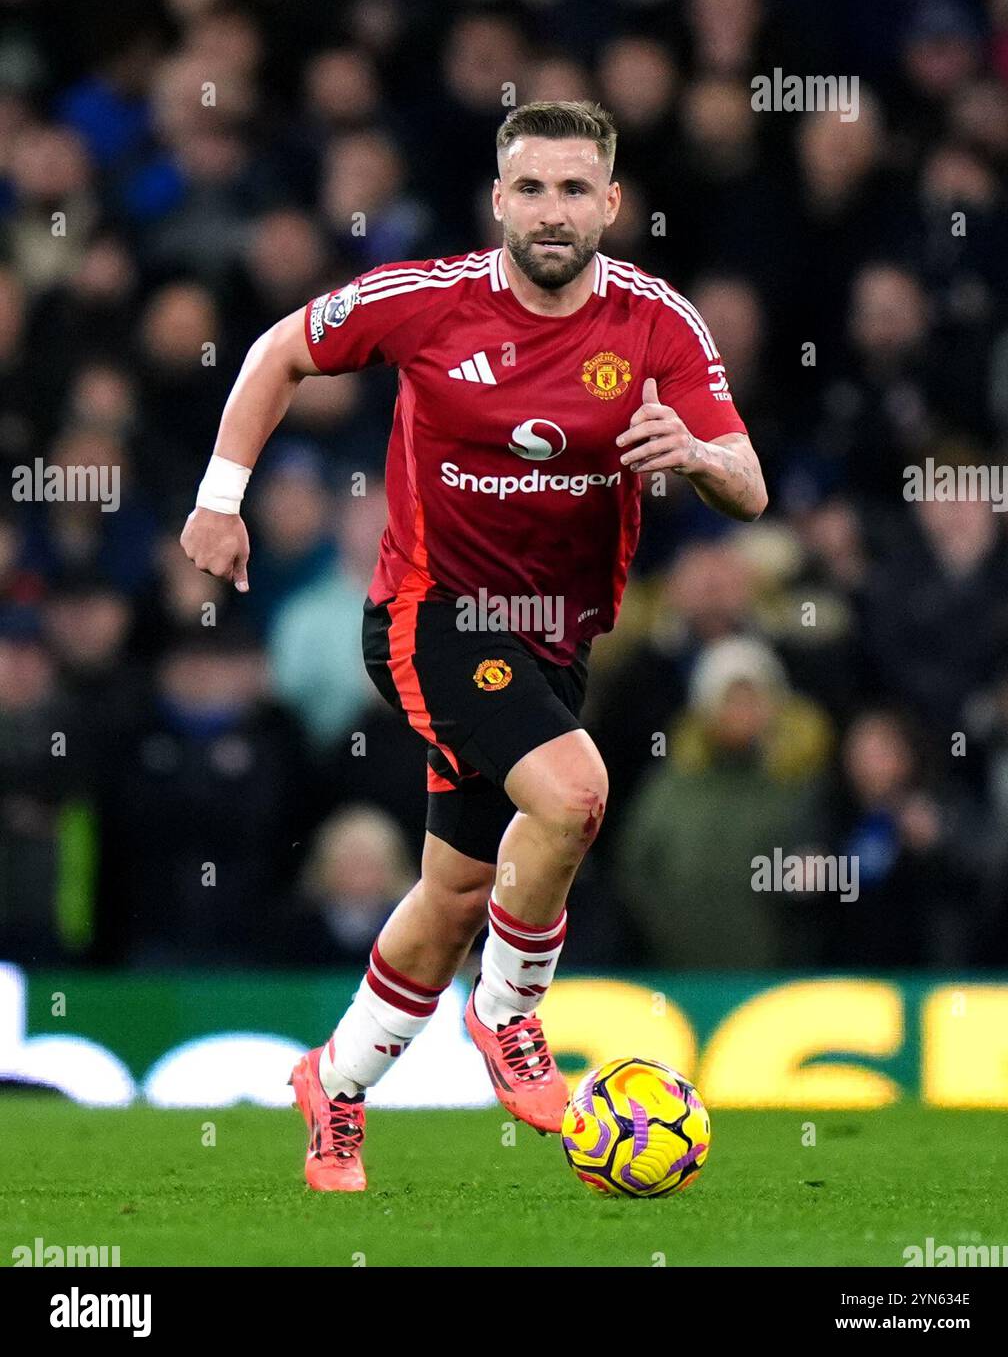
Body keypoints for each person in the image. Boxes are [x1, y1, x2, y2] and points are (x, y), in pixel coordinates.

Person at [180, 101, 767, 1191]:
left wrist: (690, 450)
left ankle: (335, 1084)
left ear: (611, 202)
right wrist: (222, 500)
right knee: (576, 794)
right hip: (430, 612)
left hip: (556, 640)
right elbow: (276, 354)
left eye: (574, 189)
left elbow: (748, 483)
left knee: (453, 895)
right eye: (531, 189)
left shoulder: (659, 324)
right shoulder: (428, 301)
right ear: (499, 200)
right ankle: (509, 1018)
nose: (553, 211)